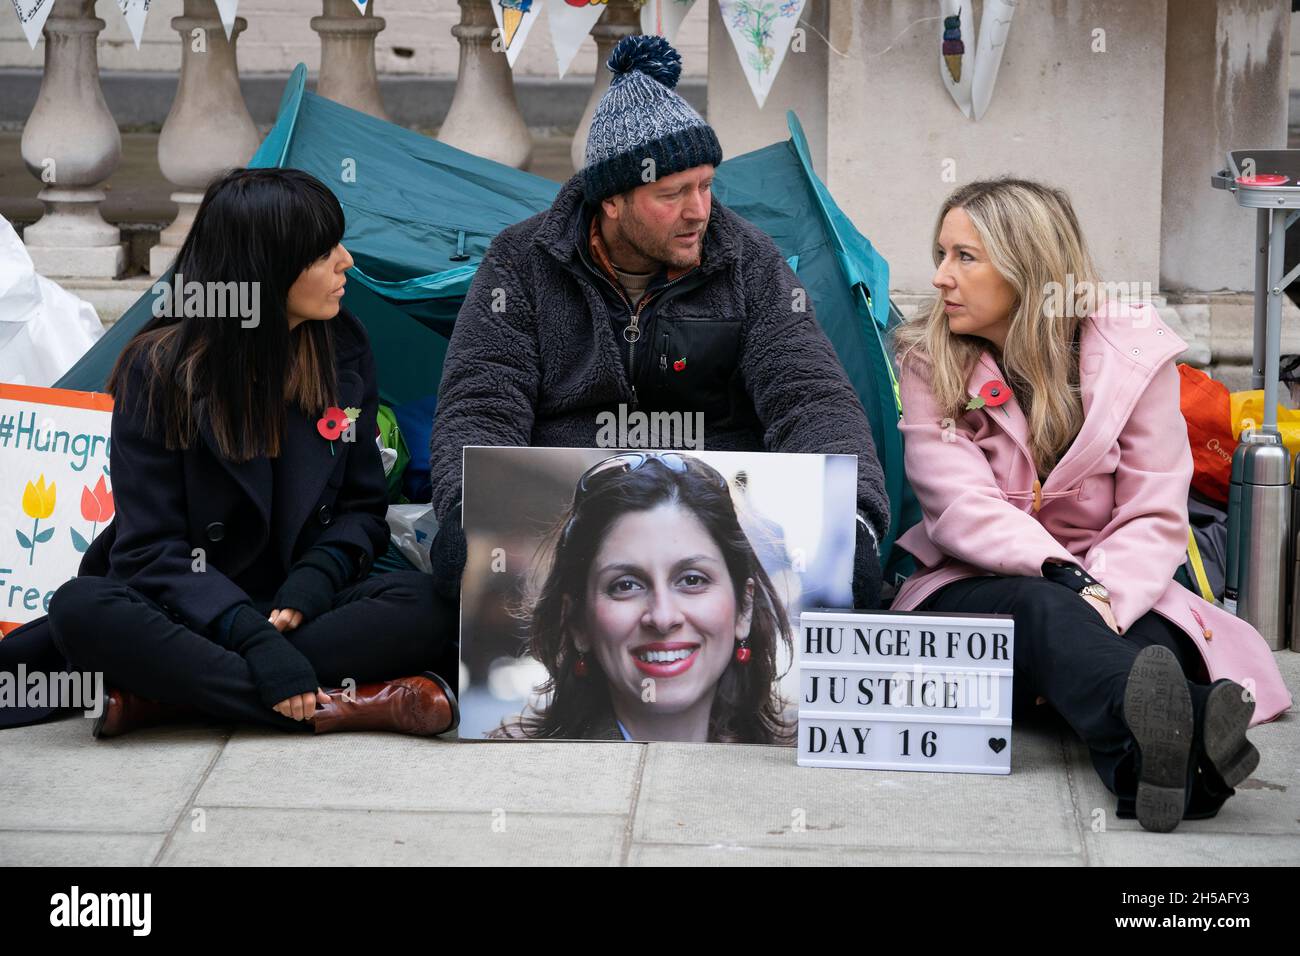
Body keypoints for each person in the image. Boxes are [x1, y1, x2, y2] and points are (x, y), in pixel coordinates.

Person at [428, 35, 888, 613]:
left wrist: (854, 522)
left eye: (706, 184)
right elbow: (481, 401)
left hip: (724, 520)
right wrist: (471, 510)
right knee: (426, 612)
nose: (699, 210)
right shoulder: (521, 262)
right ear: (611, 202)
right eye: (672, 194)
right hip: (560, 521)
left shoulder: (749, 261)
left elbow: (812, 397)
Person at [889, 177, 1291, 832]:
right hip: (978, 587)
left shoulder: (1134, 353)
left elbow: (1153, 510)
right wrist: (1065, 574)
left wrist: (1102, 592)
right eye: (942, 253)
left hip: (1118, 583)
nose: (939, 278)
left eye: (964, 257)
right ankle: (1199, 733)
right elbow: (958, 507)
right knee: (1047, 610)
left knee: (1158, 641)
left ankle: (1156, 776)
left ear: (1027, 268)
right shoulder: (929, 361)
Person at [0, 167, 458, 738]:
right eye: (323, 253)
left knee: (433, 604)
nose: (347, 263)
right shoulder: (158, 371)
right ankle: (355, 705)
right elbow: (150, 551)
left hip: (296, 603)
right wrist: (251, 637)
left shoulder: (343, 346)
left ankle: (163, 701)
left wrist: (314, 580)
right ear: (265, 272)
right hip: (189, 608)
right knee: (82, 609)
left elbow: (362, 508)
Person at [490, 452, 794, 743]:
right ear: (579, 623)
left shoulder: (803, 767)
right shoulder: (513, 769)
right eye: (626, 585)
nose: (662, 618)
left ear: (744, 608)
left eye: (692, 580)